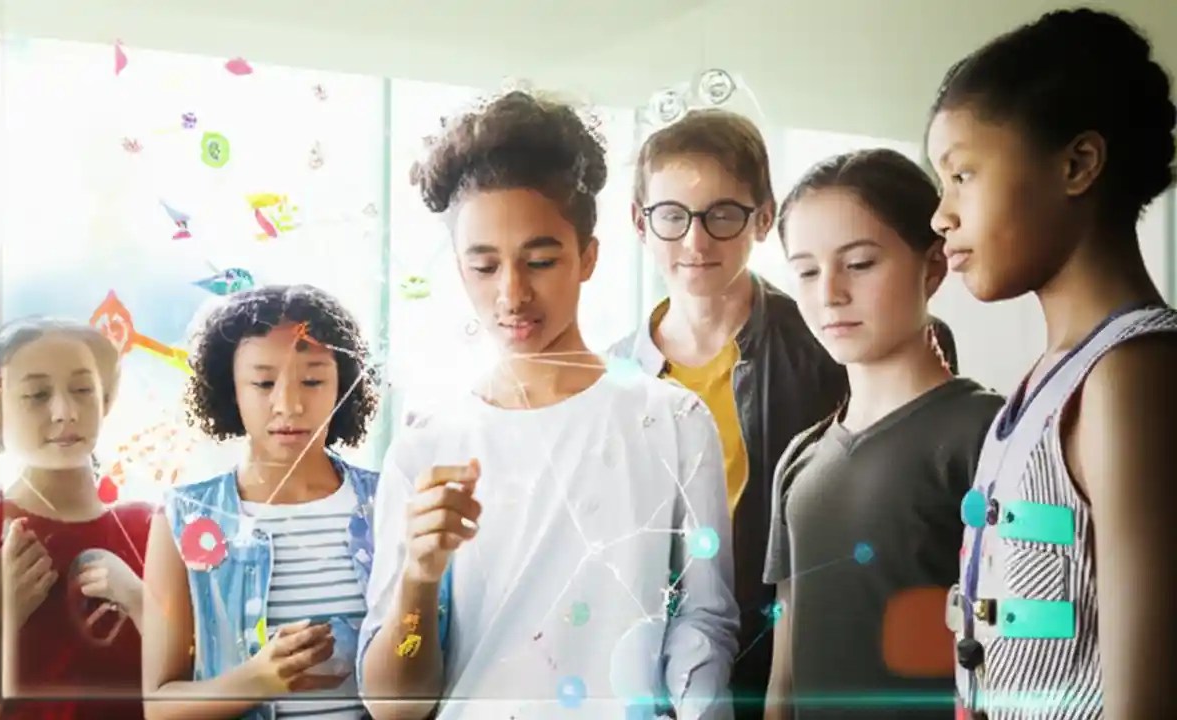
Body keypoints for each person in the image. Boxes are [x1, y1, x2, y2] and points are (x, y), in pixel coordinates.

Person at [358, 90, 739, 720]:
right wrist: (419, 581)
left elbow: (704, 622)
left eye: (540, 260)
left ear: (588, 256)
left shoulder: (672, 421)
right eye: (484, 267)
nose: (512, 294)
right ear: (458, 270)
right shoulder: (428, 447)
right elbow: (394, 704)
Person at [607, 109, 962, 717]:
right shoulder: (614, 377)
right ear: (641, 223)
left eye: (722, 214)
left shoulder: (832, 343)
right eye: (671, 216)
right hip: (662, 675)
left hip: (806, 663)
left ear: (763, 219)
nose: (696, 241)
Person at [926, 8, 1177, 719]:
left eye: (963, 174)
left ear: (1077, 165)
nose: (942, 215)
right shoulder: (1043, 381)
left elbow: (1148, 699)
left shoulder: (1135, 374)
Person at [761, 149, 1003, 719]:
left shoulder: (986, 433)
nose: (830, 293)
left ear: (933, 266)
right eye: (807, 270)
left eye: (861, 263)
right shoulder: (800, 461)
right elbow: (783, 675)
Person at [141, 285, 382, 720]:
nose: (288, 404)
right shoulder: (185, 517)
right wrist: (257, 679)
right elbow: (159, 706)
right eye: (263, 382)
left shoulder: (386, 504)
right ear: (230, 389)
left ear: (342, 386)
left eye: (312, 381)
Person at [0, 317, 152, 719]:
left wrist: (141, 600)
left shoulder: (151, 527)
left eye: (83, 390)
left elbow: (201, 684)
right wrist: (1, 613)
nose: (66, 412)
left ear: (106, 400)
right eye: (37, 395)